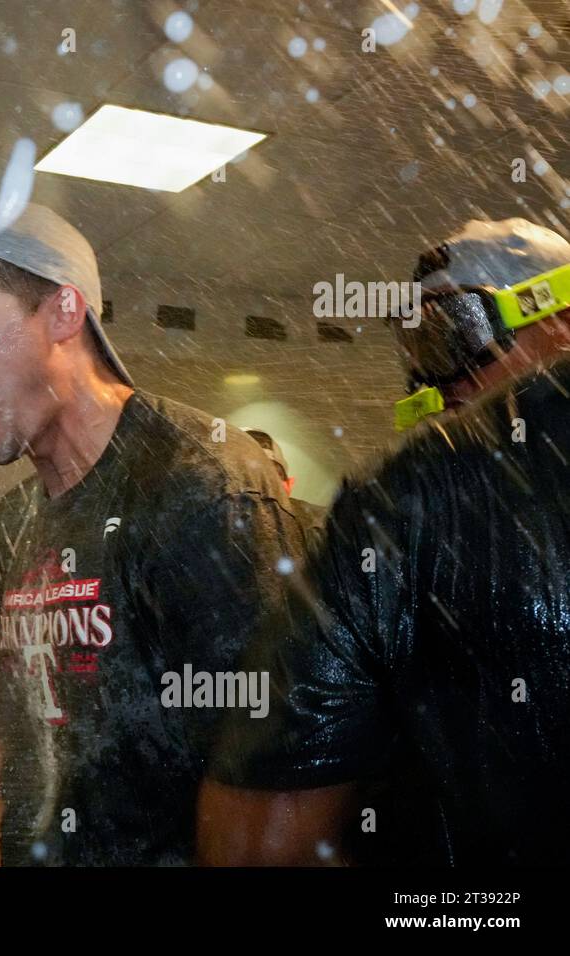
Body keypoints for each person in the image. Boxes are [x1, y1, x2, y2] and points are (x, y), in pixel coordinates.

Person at [0, 203, 307, 866]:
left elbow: (275, 773)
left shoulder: (201, 486)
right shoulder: (14, 523)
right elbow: (12, 746)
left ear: (64, 315)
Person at [199, 219, 570, 866]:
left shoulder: (401, 511)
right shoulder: (403, 521)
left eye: (456, 335)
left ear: (558, 321)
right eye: (418, 351)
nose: (438, 379)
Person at [241, 427, 327, 542]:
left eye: (273, 475)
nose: (264, 486)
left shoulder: (320, 522)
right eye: (251, 475)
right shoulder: (218, 528)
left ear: (288, 484)